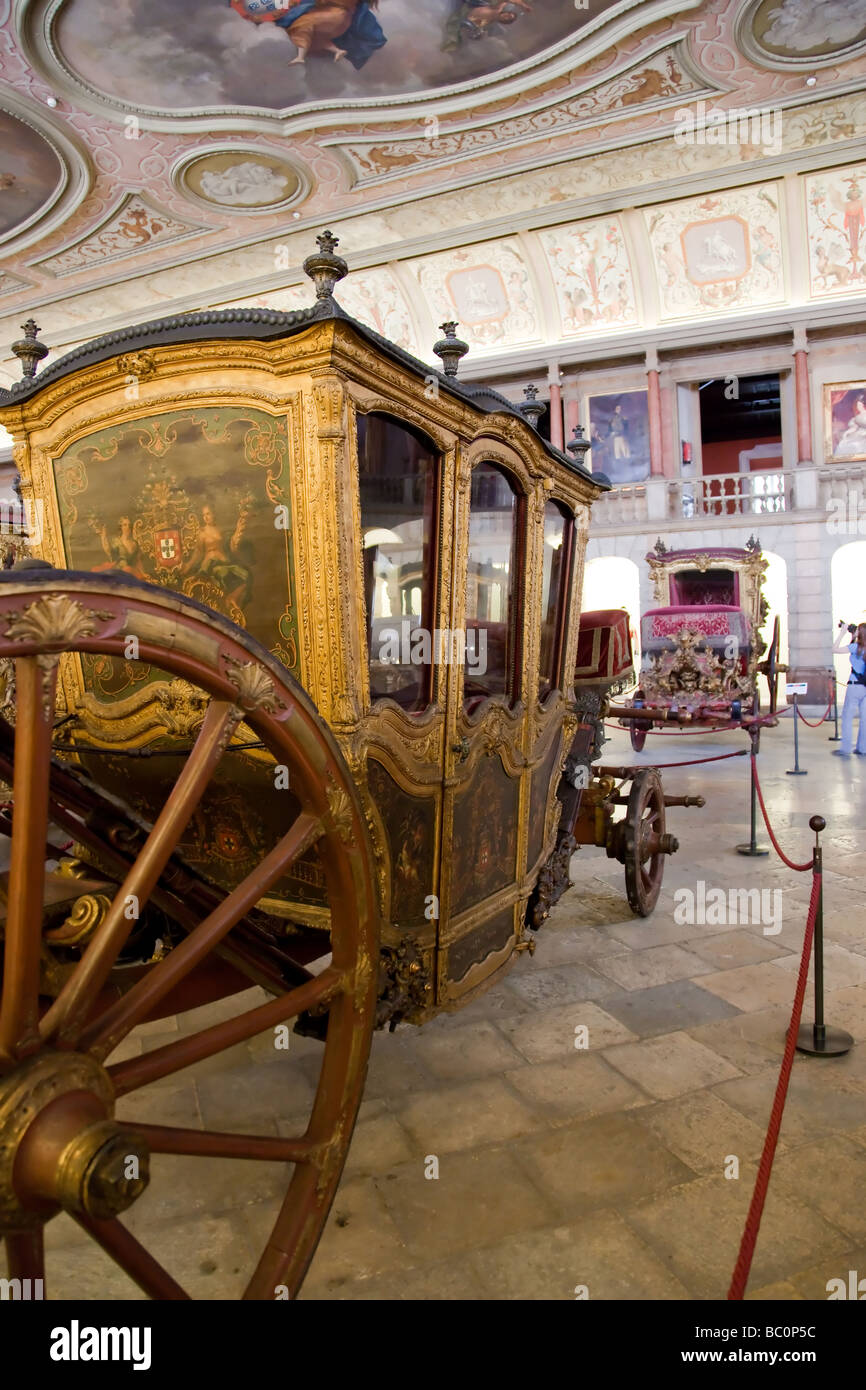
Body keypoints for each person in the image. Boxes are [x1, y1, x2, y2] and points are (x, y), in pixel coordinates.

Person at [832, 621, 866, 757]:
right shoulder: (859, 647)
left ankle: (845, 749)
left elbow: (834, 649)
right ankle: (862, 748)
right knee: (864, 719)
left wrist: (842, 632)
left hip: (855, 686)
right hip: (865, 687)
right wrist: (852, 635)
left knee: (847, 717)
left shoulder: (854, 647)